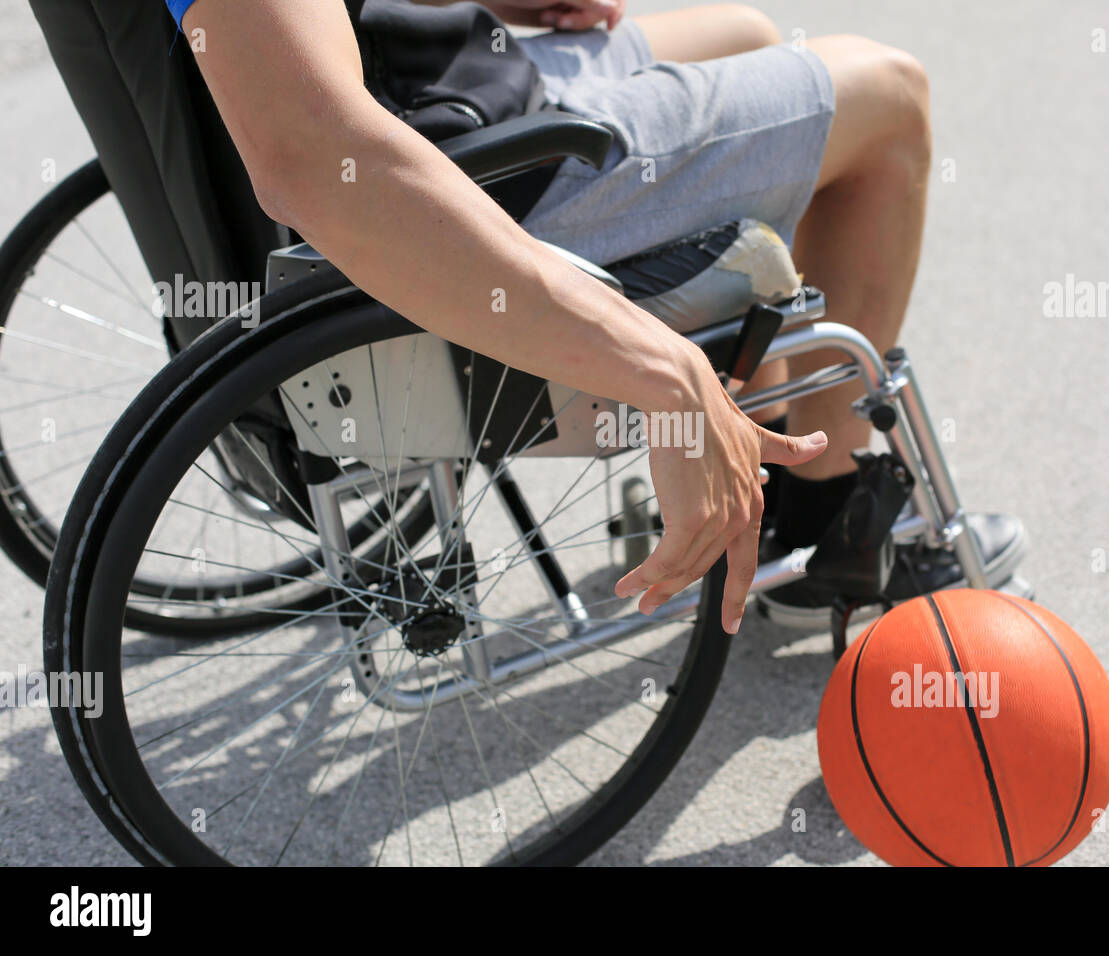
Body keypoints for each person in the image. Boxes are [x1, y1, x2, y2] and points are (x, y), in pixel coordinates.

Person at [165, 0, 1024, 634]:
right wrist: (659, 367)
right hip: (464, 184)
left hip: (440, 88)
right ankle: (825, 524)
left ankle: (750, 475)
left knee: (748, 35)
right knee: (890, 95)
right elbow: (314, 155)